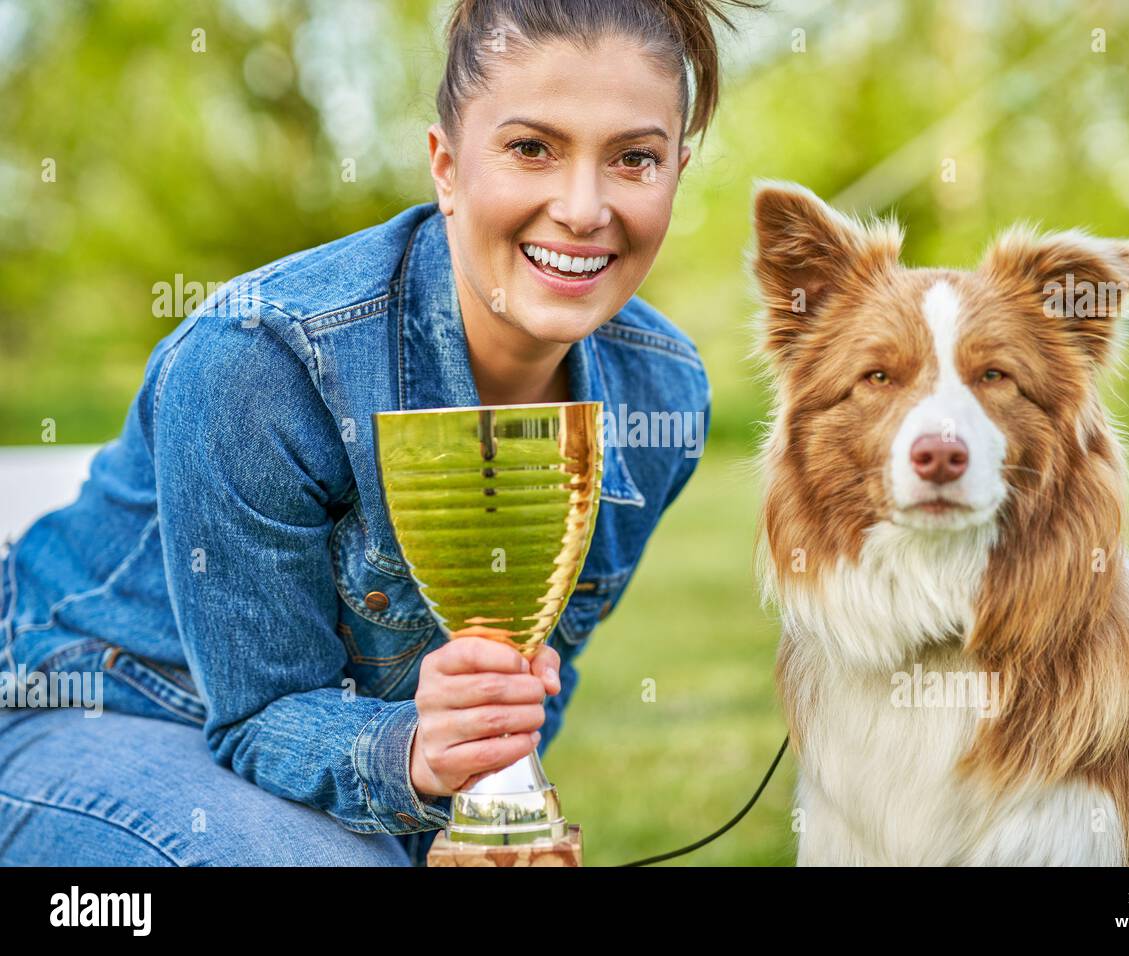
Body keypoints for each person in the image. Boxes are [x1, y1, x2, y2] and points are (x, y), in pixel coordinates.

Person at [0, 0, 761, 866]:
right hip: (98, 704)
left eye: (634, 158)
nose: (584, 209)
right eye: (530, 149)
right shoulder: (262, 360)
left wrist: (475, 778)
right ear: (445, 165)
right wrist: (409, 757)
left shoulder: (660, 396)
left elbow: (536, 677)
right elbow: (257, 716)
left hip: (353, 764)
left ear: (677, 171)